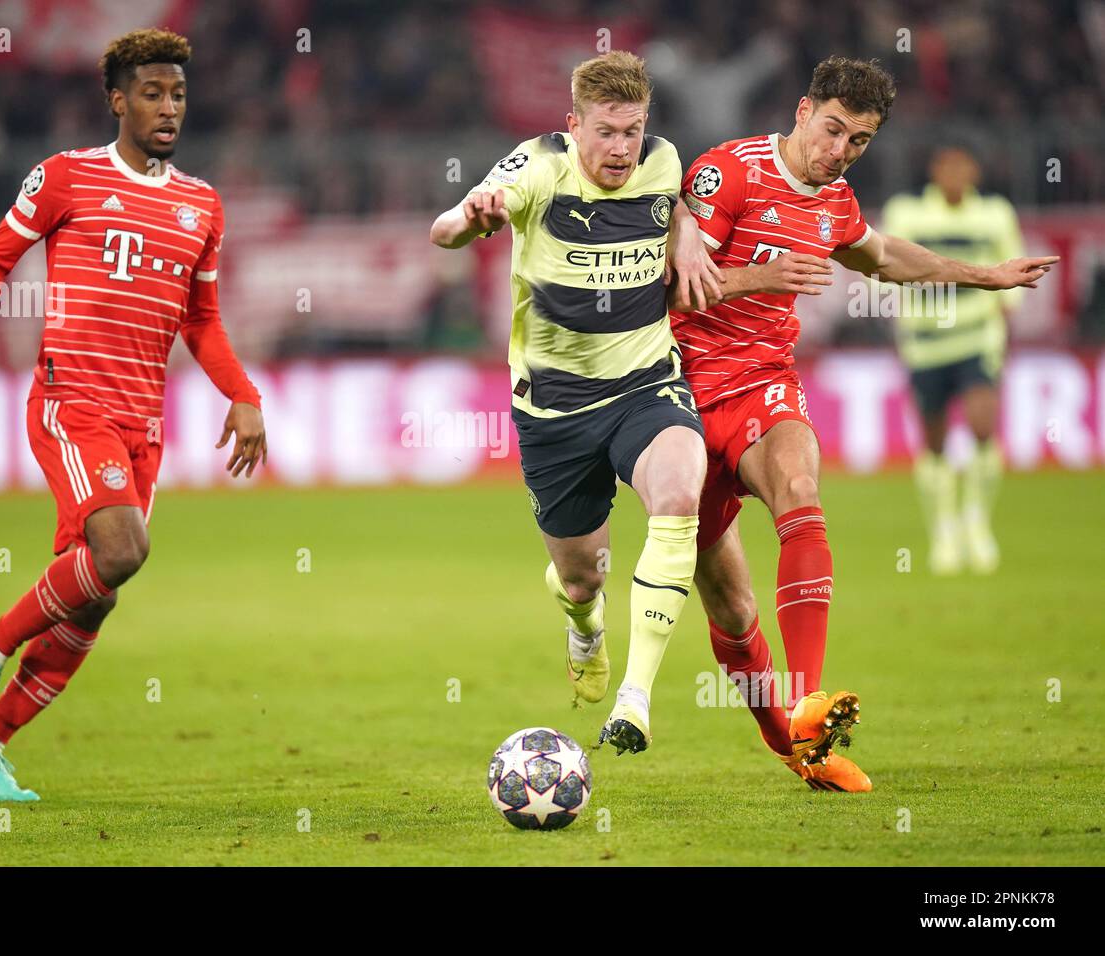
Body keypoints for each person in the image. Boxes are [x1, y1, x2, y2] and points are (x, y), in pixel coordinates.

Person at [668, 57, 1057, 791]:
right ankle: (791, 746)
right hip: (677, 401)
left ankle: (813, 702)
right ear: (802, 111)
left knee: (799, 485)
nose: (839, 151)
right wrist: (759, 277)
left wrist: (982, 273)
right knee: (730, 607)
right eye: (834, 129)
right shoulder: (729, 174)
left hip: (762, 384)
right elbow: (659, 289)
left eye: (859, 140)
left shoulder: (834, 200)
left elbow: (880, 257)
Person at [0, 29, 267, 801]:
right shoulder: (65, 177)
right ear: (117, 100)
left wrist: (244, 396)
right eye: (151, 93)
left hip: (141, 421)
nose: (168, 107)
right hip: (70, 400)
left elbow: (202, 323)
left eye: (178, 94)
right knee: (121, 549)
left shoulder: (201, 205)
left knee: (96, 593)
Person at [430, 51, 722, 755]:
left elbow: (673, 196)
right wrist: (473, 218)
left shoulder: (662, 160)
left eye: (632, 129)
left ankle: (635, 700)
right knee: (581, 572)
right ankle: (585, 630)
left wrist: (682, 227)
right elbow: (443, 230)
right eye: (606, 131)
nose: (621, 147)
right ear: (574, 126)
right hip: (555, 408)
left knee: (680, 497)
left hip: (644, 383)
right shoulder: (536, 169)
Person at [882, 146, 1025, 574]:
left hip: (977, 338)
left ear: (975, 170)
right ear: (934, 169)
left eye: (963, 164)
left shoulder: (995, 215)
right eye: (947, 164)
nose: (955, 173)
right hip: (925, 344)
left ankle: (976, 522)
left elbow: (1012, 270)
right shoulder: (907, 214)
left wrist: (1006, 311)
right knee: (935, 443)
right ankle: (943, 528)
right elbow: (883, 266)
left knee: (983, 428)